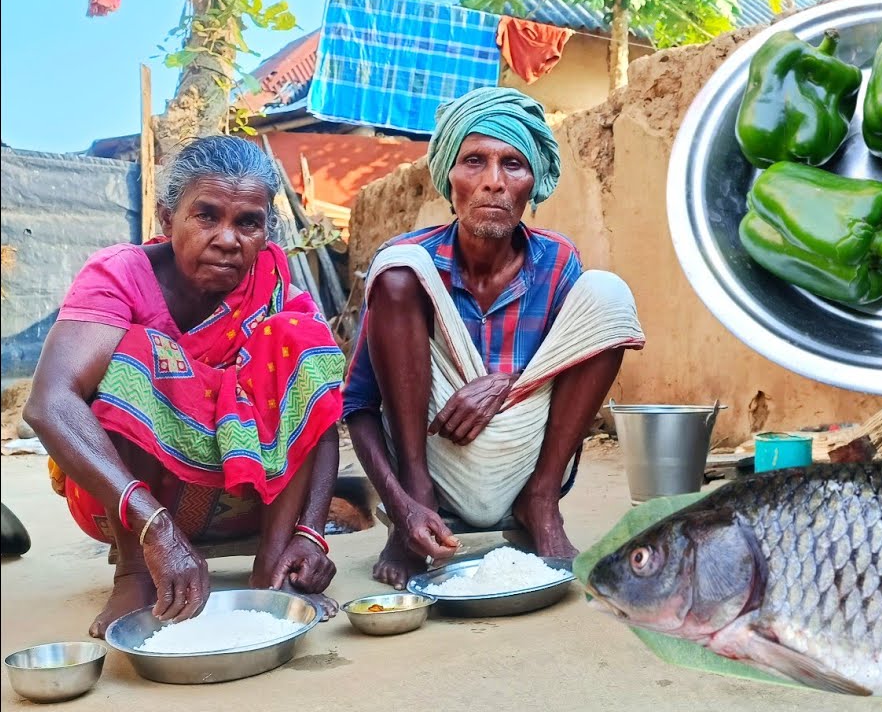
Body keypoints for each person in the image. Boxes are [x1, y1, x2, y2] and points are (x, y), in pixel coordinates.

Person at [24, 135, 347, 637]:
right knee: (139, 350)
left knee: (298, 342)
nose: (227, 238)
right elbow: (49, 403)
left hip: (241, 500)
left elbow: (320, 416)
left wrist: (309, 533)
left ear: (265, 233)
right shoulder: (121, 276)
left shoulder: (273, 284)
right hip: (127, 507)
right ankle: (134, 573)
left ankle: (272, 565)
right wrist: (156, 529)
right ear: (165, 217)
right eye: (206, 216)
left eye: (248, 223)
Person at [344, 87, 645, 589]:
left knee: (608, 294)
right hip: (433, 454)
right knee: (398, 271)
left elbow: (569, 370)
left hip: (522, 455)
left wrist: (505, 382)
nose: (493, 183)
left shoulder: (556, 261)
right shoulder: (409, 262)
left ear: (533, 183)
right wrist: (400, 505)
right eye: (474, 162)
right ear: (448, 177)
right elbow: (356, 405)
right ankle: (420, 509)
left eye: (512, 165)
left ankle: (541, 502)